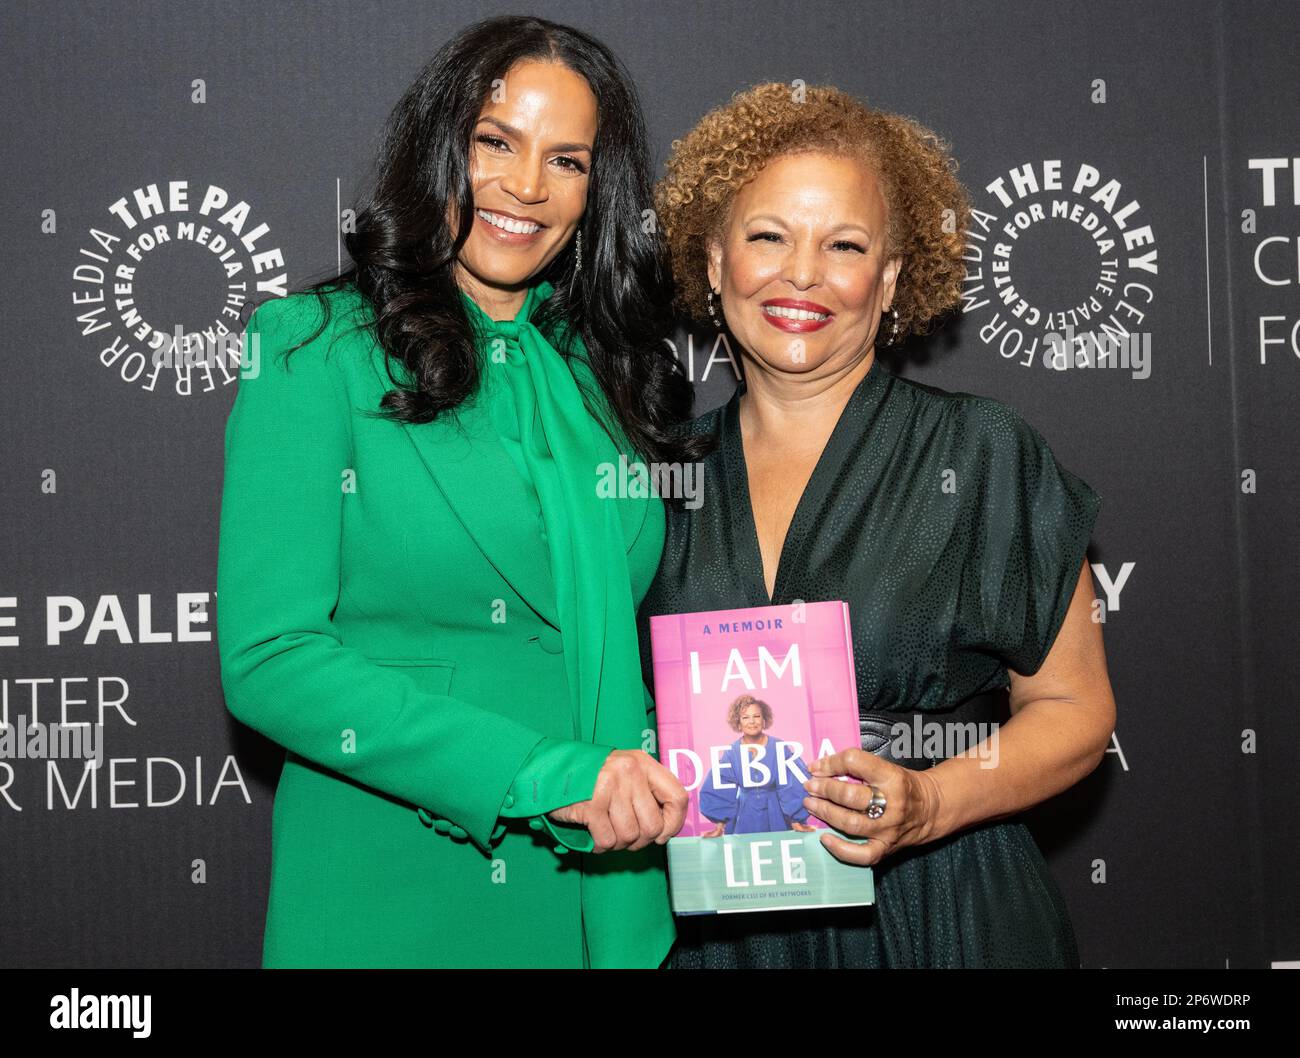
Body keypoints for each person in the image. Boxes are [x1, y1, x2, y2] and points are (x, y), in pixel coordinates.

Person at [216, 15, 704, 969]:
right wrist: (536, 773)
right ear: (440, 146)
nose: (527, 187)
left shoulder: (602, 367)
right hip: (400, 882)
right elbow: (271, 657)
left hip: (607, 888)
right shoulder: (311, 349)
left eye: (567, 160)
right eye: (495, 143)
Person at [639, 83, 1117, 968]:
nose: (804, 275)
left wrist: (930, 802)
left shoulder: (983, 453)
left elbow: (1077, 711)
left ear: (890, 279)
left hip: (943, 910)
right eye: (768, 236)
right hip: (718, 931)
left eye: (845, 245)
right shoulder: (652, 476)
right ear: (714, 261)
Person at [698, 695, 817, 837]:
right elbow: (719, 785)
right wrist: (719, 826)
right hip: (745, 814)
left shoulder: (779, 747)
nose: (752, 721)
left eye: (756, 716)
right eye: (745, 717)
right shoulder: (732, 752)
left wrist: (796, 820)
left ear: (764, 719)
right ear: (738, 722)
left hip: (776, 813)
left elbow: (794, 782)